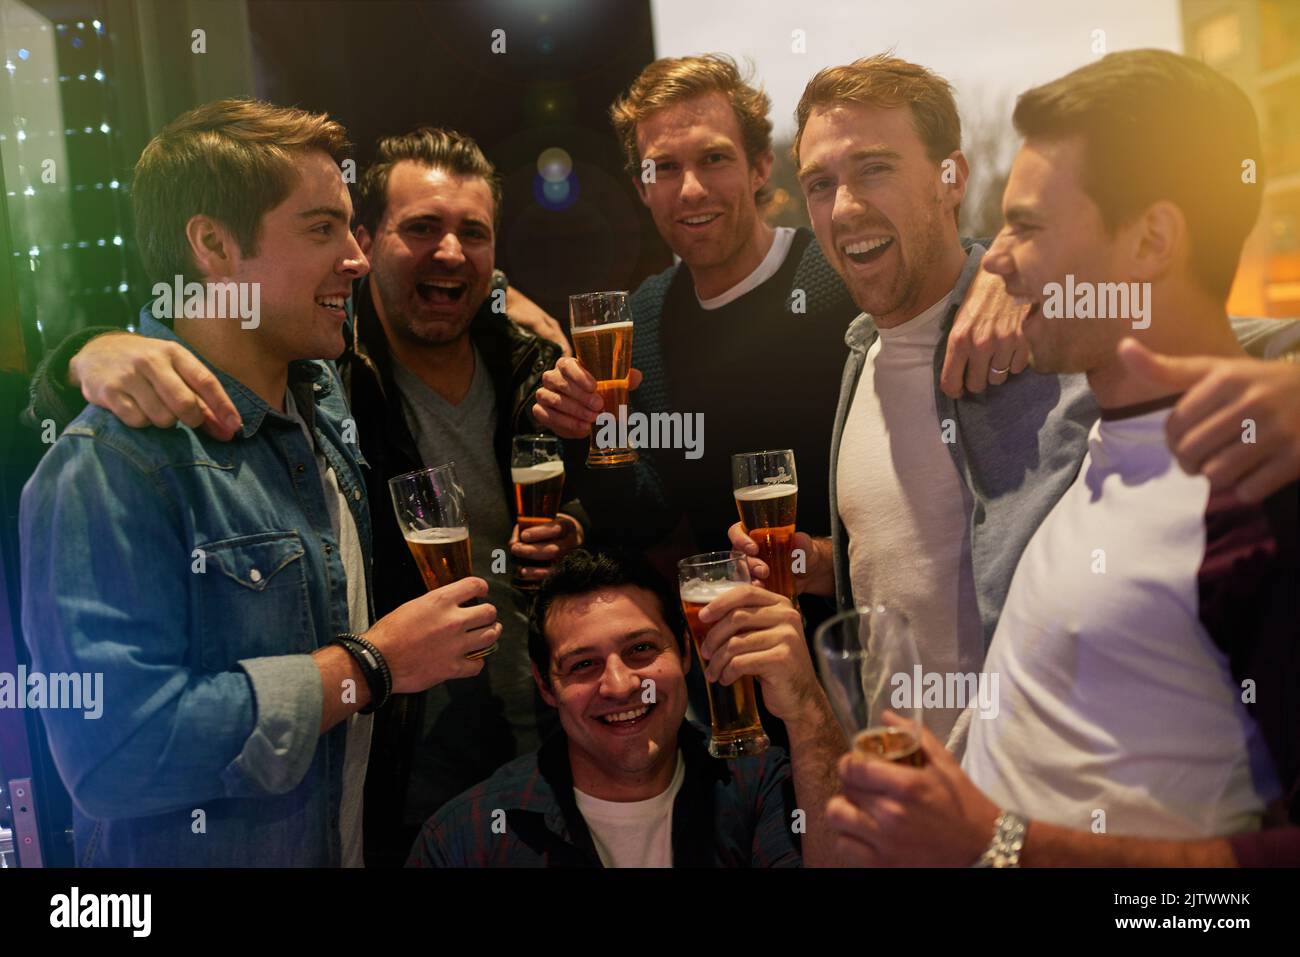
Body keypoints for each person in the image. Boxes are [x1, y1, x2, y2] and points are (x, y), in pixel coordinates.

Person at [23, 126, 584, 867]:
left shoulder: (321, 407)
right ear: (214, 246)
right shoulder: (112, 461)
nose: (352, 255)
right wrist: (369, 666)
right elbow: (110, 755)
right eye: (322, 228)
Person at [728, 54, 1299, 750]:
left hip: (1030, 815)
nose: (845, 208)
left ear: (952, 179)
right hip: (908, 796)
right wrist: (821, 562)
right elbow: (920, 557)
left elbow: (1232, 330)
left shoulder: (1046, 321)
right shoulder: (858, 354)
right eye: (820, 183)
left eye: (875, 168)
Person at [533, 54, 1026, 564]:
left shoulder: (847, 264)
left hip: (862, 624)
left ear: (761, 167)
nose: (692, 189)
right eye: (665, 168)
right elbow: (643, 516)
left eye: (714, 159)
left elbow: (946, 255)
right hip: (736, 628)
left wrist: (1003, 275)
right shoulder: (640, 322)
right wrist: (586, 432)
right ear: (641, 188)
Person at [407, 548, 846, 867]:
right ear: (545, 686)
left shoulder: (762, 786)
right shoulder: (465, 838)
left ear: (688, 655)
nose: (620, 685)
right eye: (583, 665)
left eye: (640, 649)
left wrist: (806, 709)